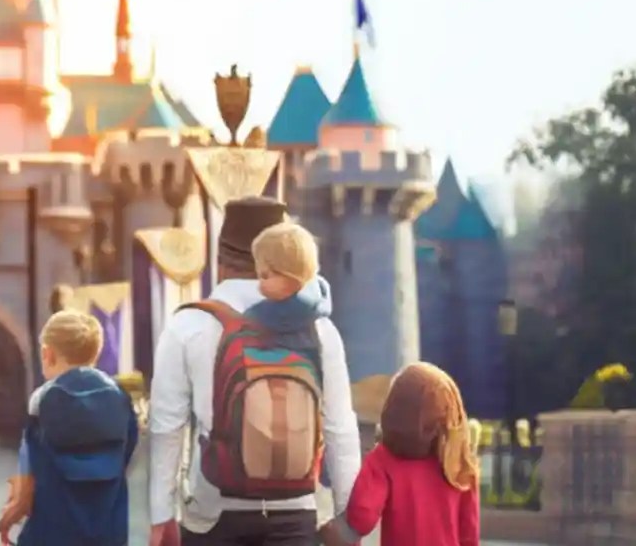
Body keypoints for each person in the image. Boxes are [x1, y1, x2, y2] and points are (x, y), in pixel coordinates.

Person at [148, 197, 362, 546]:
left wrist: (161, 516)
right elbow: (340, 428)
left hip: (213, 514)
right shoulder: (319, 328)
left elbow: (167, 426)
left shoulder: (191, 324)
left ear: (219, 261)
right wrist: (349, 521)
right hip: (296, 514)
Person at [0, 310, 139, 545]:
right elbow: (127, 457)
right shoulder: (119, 397)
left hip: (51, 534)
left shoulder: (41, 400)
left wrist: (8, 518)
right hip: (109, 533)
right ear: (96, 352)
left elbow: (26, 478)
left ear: (47, 353)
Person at [318, 362, 480, 546]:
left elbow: (361, 517)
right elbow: (469, 536)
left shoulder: (384, 459)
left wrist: (330, 532)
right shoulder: (459, 464)